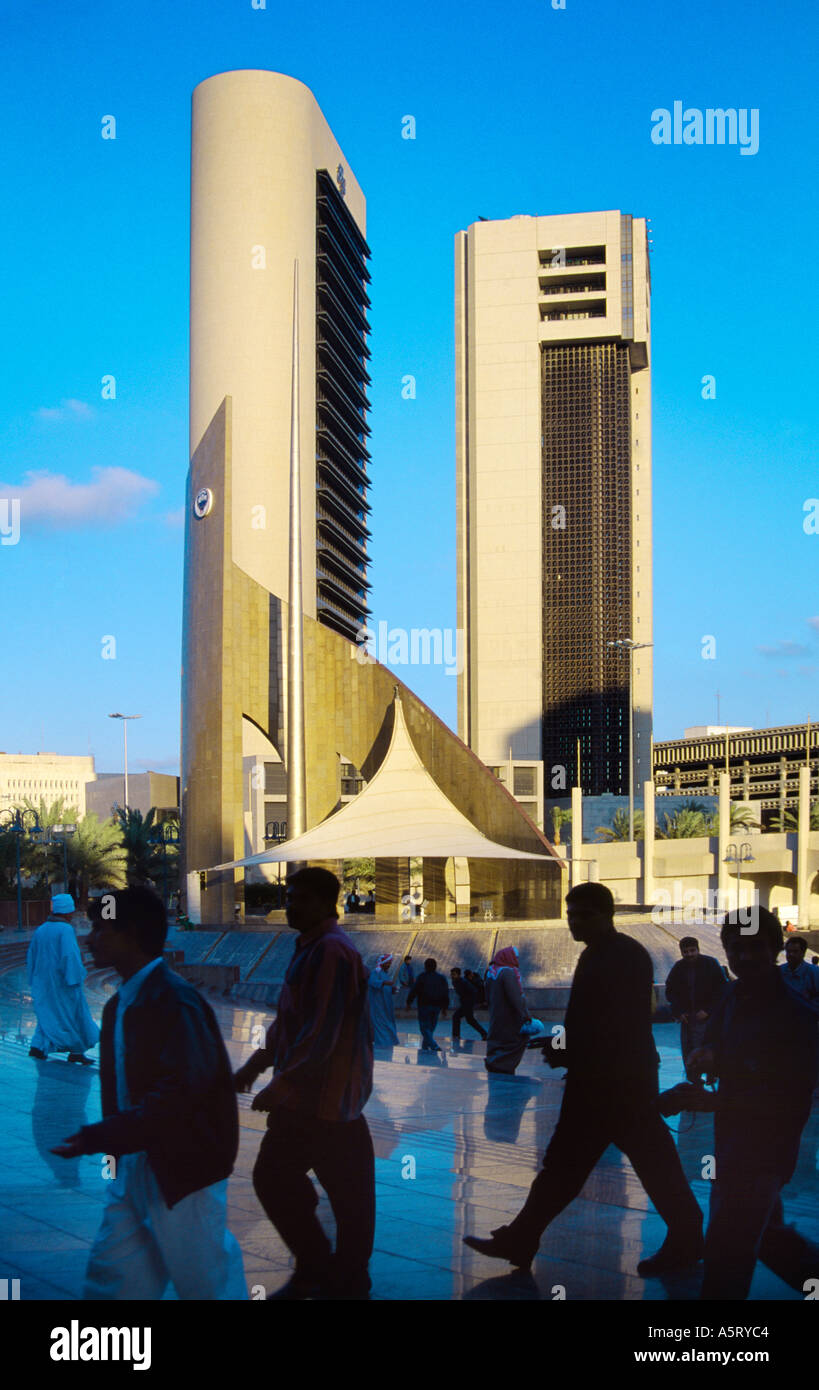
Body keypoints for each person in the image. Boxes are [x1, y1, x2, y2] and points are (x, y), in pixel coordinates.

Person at [464, 883, 703, 1274]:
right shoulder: (605, 954)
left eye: (583, 915)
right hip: (605, 1082)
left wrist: (568, 1051)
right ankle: (523, 1237)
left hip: (616, 1085)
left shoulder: (621, 956)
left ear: (606, 914)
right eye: (570, 914)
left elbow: (618, 1025)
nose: (573, 922)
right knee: (580, 1165)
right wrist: (566, 1047)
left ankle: (688, 1235)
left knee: (626, 1163)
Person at [51, 886, 246, 1300]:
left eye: (101, 929)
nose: (90, 938)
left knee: (207, 1283)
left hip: (181, 1173)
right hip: (134, 1169)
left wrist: (99, 1136)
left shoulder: (176, 1003)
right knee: (113, 1282)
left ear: (132, 934)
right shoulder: (120, 1003)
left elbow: (180, 1095)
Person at [235, 867, 375, 1300]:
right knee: (292, 1181)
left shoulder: (331, 951)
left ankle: (335, 1274)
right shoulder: (310, 948)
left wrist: (283, 1084)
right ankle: (326, 1270)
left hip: (328, 1102)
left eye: (296, 898)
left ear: (321, 902)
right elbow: (292, 1022)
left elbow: (322, 1031)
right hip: (312, 1103)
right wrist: (258, 1064)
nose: (289, 905)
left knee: (341, 1196)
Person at [686, 908, 819, 1300]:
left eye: (754, 948)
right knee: (769, 1239)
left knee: (727, 1253)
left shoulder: (796, 1015)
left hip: (761, 1154)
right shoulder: (734, 997)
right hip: (735, 1147)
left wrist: (721, 1072)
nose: (744, 957)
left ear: (776, 948)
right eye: (736, 948)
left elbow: (788, 1090)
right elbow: (722, 1048)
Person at [27, 893, 98, 1064]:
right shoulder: (65, 930)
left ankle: (38, 1047)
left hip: (44, 983)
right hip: (64, 983)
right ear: (68, 911)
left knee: (48, 1014)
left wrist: (34, 980)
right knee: (73, 1015)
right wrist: (75, 977)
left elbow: (31, 957)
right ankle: (76, 1050)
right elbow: (70, 956)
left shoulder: (41, 929)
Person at [664, 936, 728, 1063]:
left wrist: (708, 1010)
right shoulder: (678, 967)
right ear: (681, 952)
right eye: (686, 952)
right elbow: (670, 991)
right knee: (689, 1054)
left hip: (708, 1020)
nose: (689, 954)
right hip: (688, 1020)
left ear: (698, 950)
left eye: (692, 951)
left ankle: (711, 1077)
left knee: (709, 1052)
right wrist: (679, 1012)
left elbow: (722, 991)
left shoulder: (711, 964)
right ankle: (694, 1080)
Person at [484, 946, 530, 1073]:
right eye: (515, 957)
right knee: (516, 1041)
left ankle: (493, 1061)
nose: (517, 960)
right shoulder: (508, 972)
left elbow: (486, 995)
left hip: (496, 1014)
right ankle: (504, 1065)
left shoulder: (491, 972)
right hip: (509, 1016)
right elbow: (515, 996)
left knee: (497, 1040)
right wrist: (524, 1014)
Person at [407, 958, 449, 1052]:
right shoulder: (441, 978)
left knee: (425, 1027)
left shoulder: (422, 977)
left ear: (425, 966)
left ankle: (434, 1046)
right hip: (436, 1006)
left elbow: (414, 990)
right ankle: (425, 1046)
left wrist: (409, 1002)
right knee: (431, 1027)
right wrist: (445, 1007)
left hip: (424, 1005)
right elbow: (445, 993)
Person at [779, 935, 819, 1015]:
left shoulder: (814, 972)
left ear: (803, 953)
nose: (791, 954)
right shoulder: (779, 971)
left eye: (795, 951)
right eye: (788, 951)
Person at [368, 953, 399, 1047]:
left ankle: (387, 1041)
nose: (389, 965)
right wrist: (384, 983)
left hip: (386, 1004)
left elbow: (386, 987)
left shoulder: (385, 974)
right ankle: (382, 1042)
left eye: (390, 963)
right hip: (378, 1004)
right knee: (380, 1023)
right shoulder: (376, 972)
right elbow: (372, 982)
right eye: (387, 963)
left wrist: (392, 989)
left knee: (387, 1022)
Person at [450, 967, 487, 1042]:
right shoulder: (455, 981)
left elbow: (473, 991)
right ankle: (484, 1034)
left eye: (454, 974)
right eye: (451, 974)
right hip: (465, 1003)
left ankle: (456, 1036)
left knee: (457, 1017)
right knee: (470, 1020)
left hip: (467, 1003)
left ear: (459, 975)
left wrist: (470, 1002)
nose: (452, 976)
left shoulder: (463, 982)